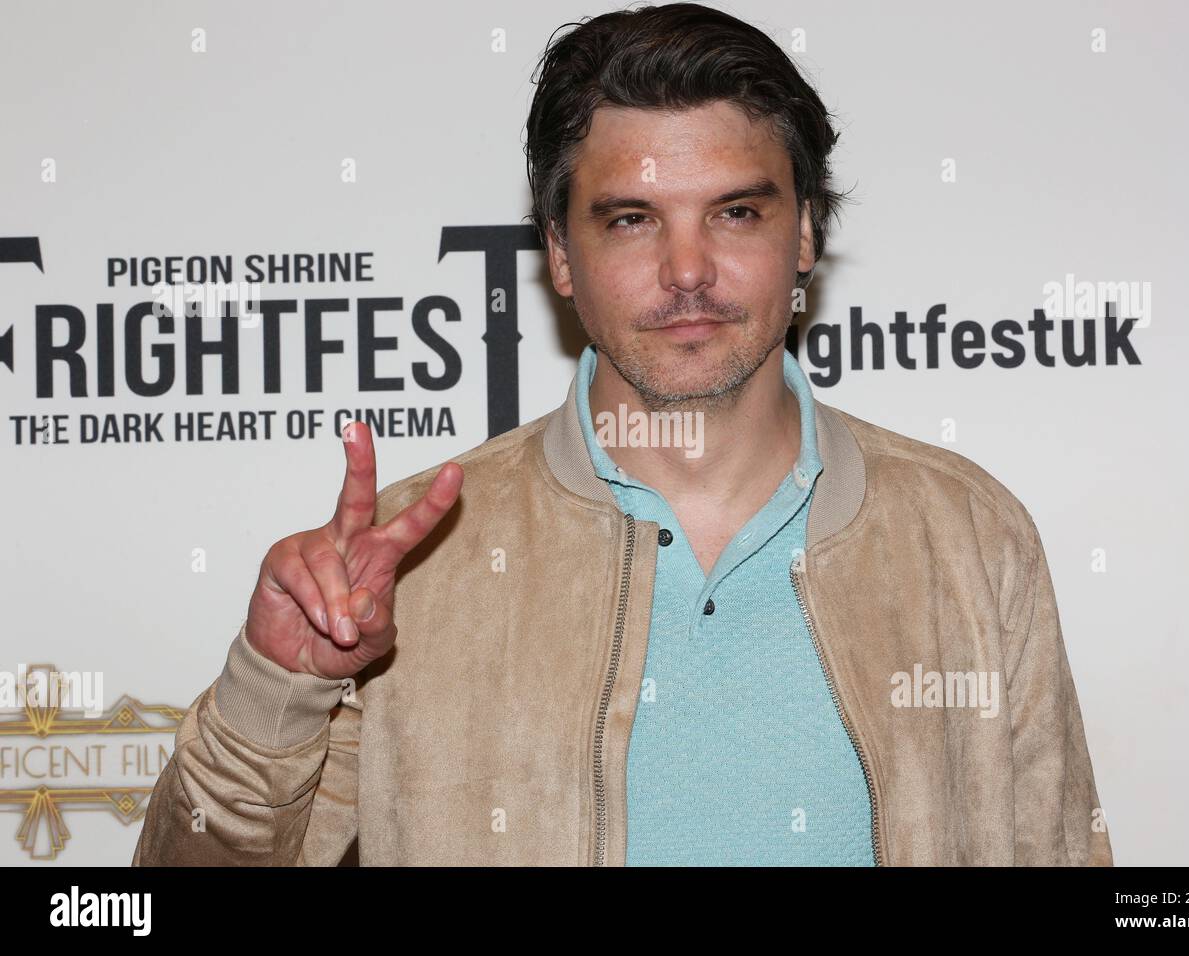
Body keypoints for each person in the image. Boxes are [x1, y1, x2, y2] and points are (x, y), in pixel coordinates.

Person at [132, 2, 1113, 866]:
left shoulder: (964, 532)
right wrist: (275, 692)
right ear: (559, 254)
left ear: (804, 234)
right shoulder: (415, 552)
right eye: (632, 220)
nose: (688, 268)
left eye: (734, 211)